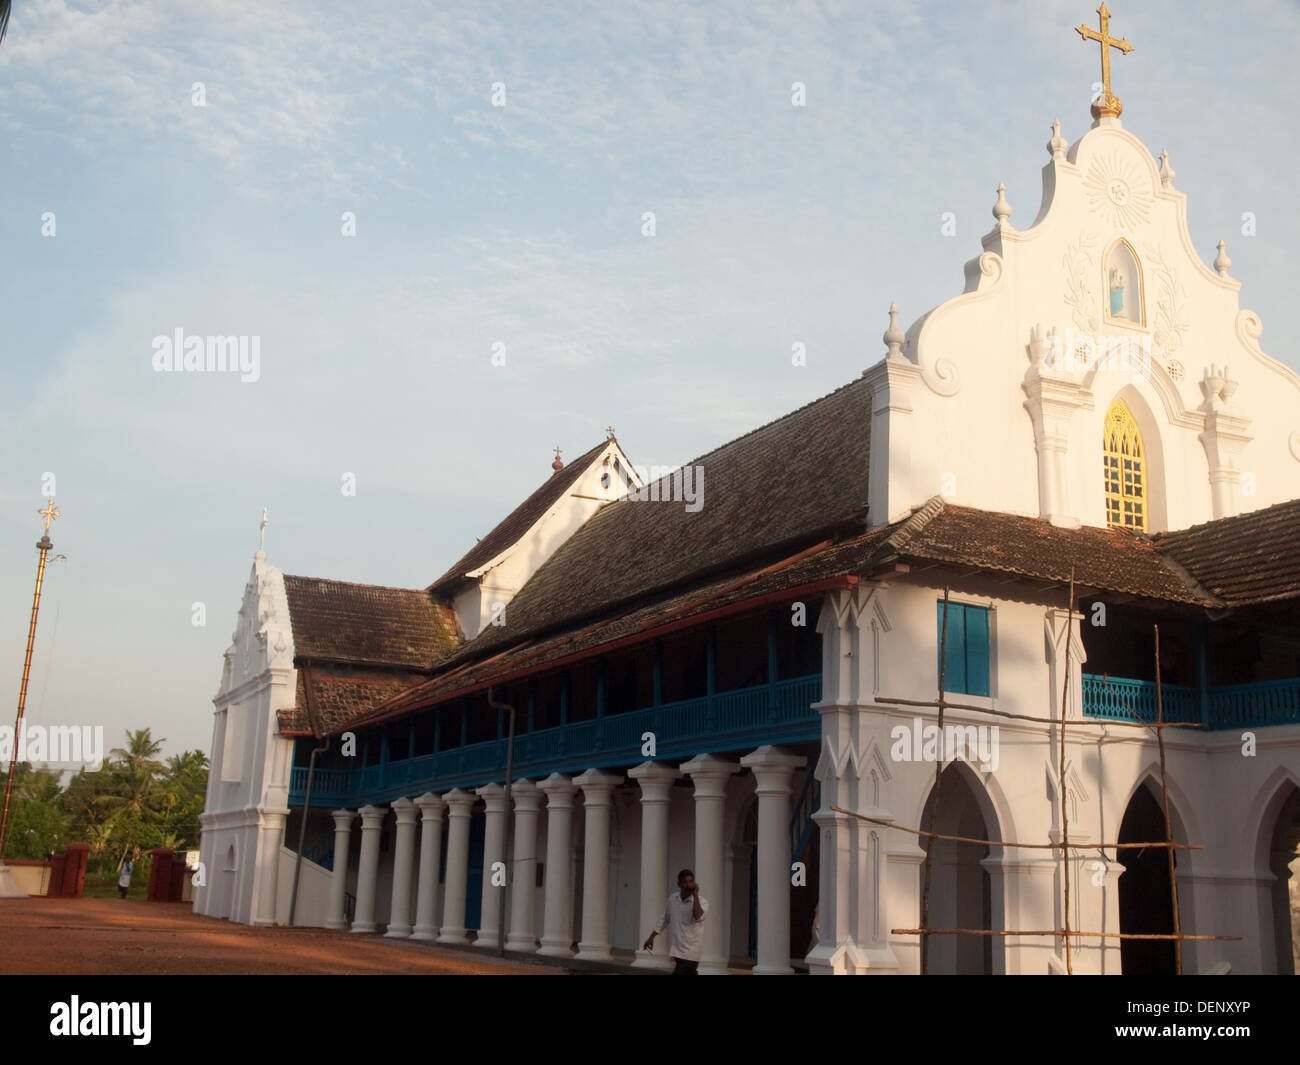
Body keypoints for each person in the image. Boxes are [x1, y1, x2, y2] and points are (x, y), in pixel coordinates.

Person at [643, 869, 708, 975]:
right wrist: (651, 938)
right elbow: (664, 919)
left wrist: (695, 895)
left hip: (690, 953)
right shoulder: (673, 898)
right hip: (677, 951)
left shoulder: (702, 901)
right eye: (685, 882)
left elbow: (697, 916)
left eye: (691, 881)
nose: (688, 885)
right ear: (679, 884)